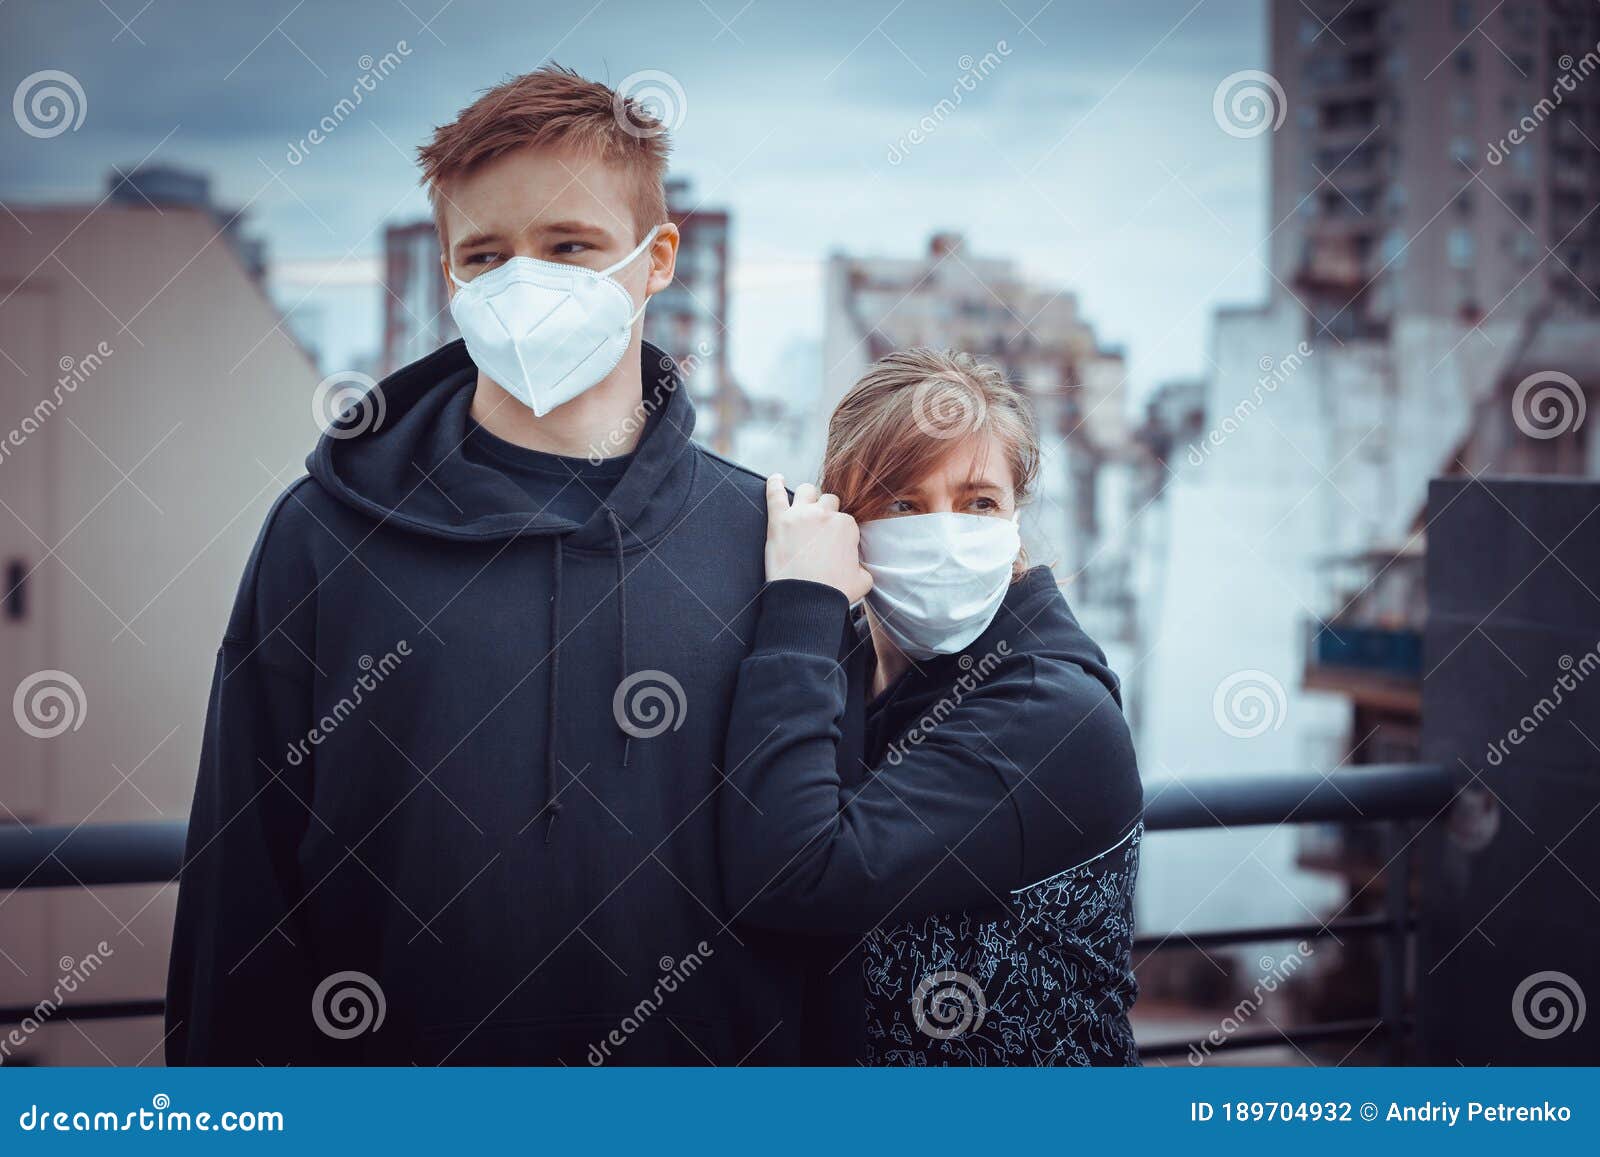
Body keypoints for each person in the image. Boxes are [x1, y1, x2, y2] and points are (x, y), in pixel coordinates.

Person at [166, 65, 852, 1065]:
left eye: (570, 245)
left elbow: (831, 893)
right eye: (484, 255)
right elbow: (243, 885)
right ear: (448, 276)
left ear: (657, 258)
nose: (523, 280)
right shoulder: (322, 533)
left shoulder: (776, 542)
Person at [719, 349, 1144, 1065]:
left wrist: (799, 605)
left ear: (1015, 517)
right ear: (843, 523)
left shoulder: (1048, 710)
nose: (945, 534)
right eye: (903, 502)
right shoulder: (864, 670)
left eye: (979, 502)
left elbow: (794, 876)